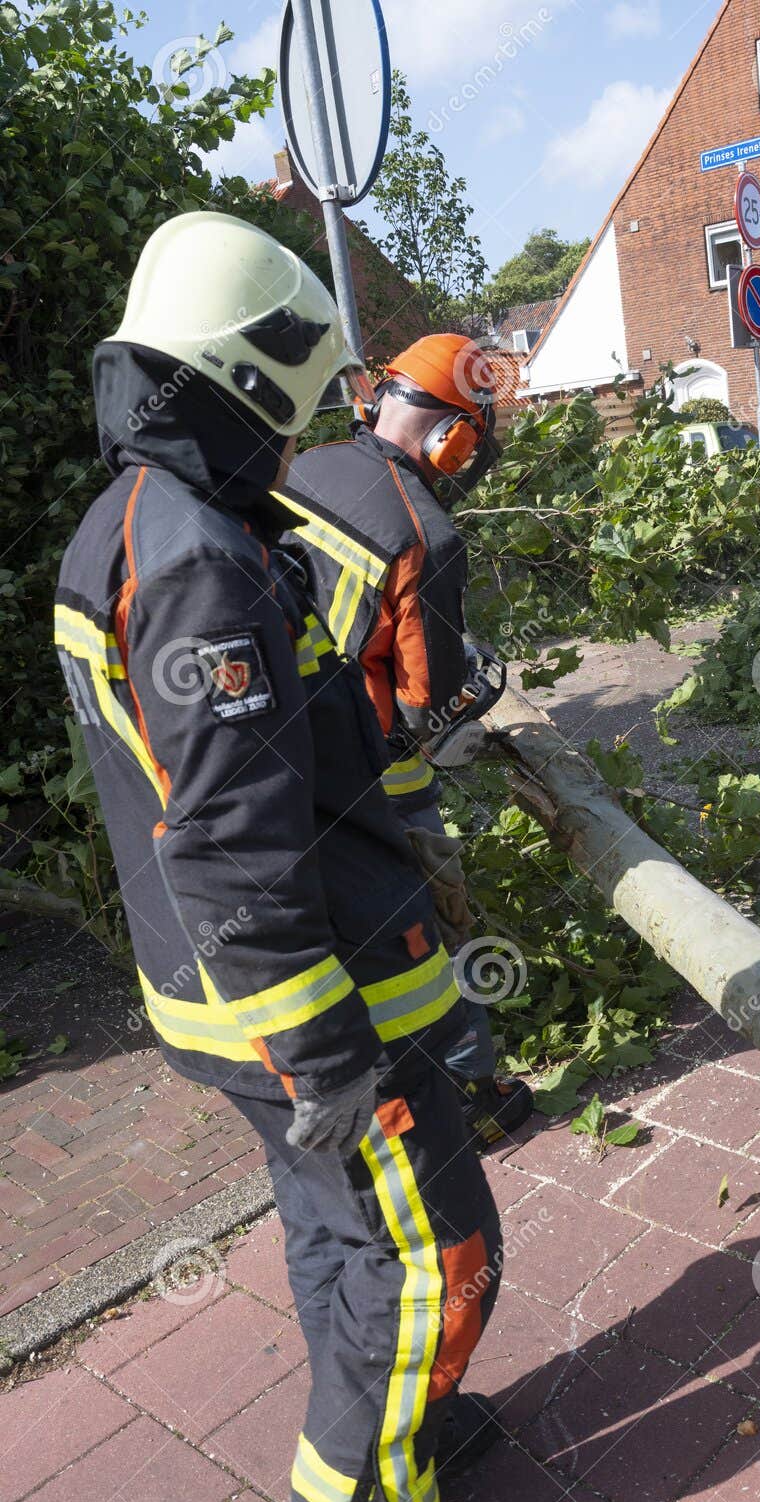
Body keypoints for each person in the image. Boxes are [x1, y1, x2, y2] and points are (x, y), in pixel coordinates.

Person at [55, 211, 502, 1502]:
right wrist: (326, 1060)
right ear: (249, 376)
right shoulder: (200, 557)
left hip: (236, 989)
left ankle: (386, 1448)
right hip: (302, 1006)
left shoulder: (144, 520)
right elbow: (237, 847)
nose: (309, 429)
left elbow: (269, 768)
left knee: (338, 1237)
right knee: (438, 1257)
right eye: (295, 398)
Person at [278, 332, 534, 1147]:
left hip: (281, 757)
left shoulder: (306, 467)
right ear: (454, 436)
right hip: (375, 776)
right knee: (432, 927)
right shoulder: (426, 534)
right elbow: (425, 700)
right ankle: (472, 1093)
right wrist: (473, 680)